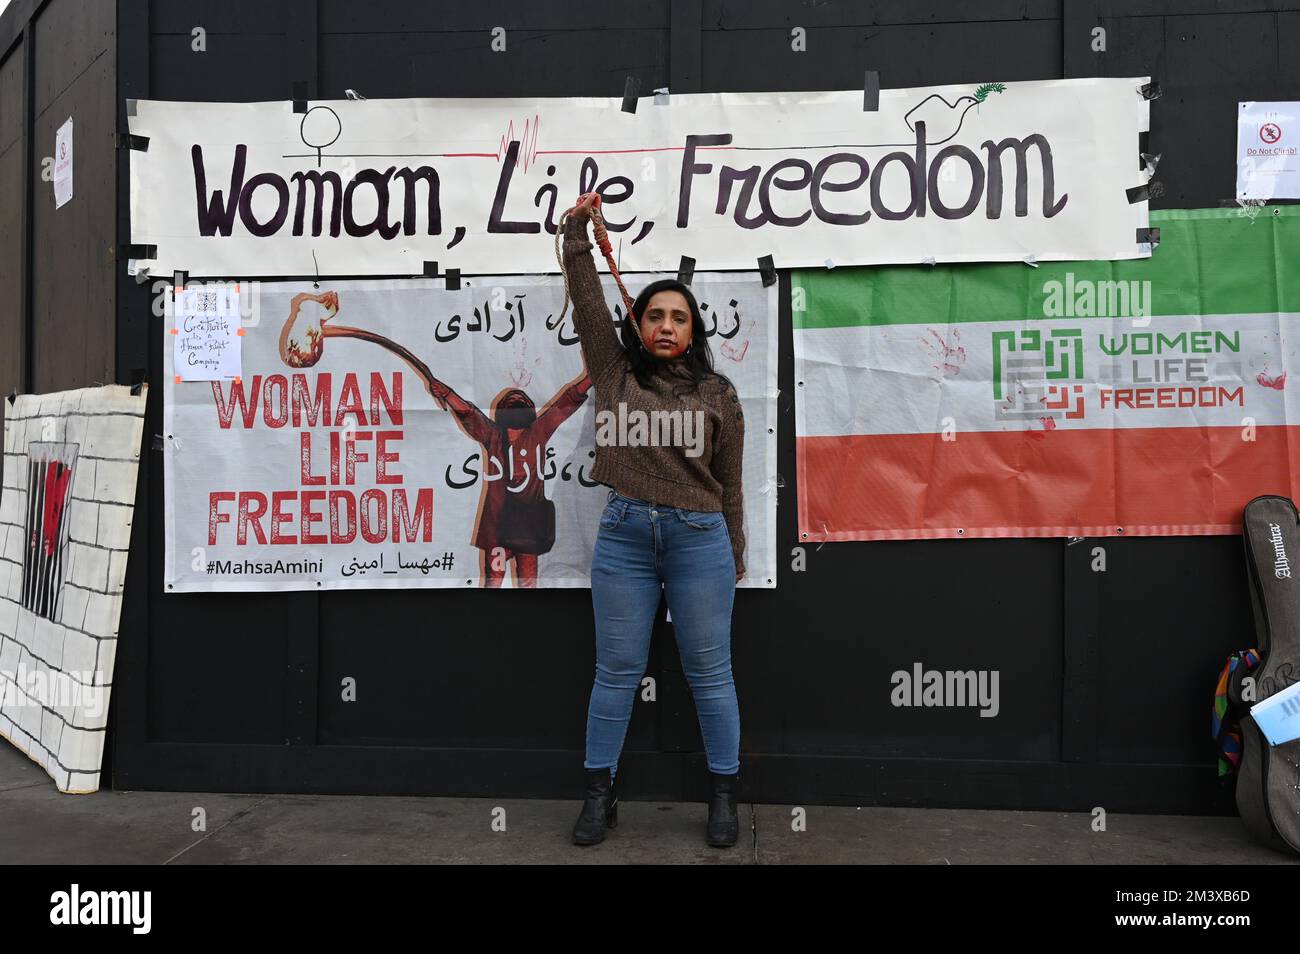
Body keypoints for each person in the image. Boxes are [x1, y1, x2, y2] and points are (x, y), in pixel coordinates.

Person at [559, 192, 746, 848]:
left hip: (700, 542)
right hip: (625, 540)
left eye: (679, 317)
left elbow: (731, 486)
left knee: (710, 673)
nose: (666, 325)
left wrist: (737, 554)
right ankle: (597, 795)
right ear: (637, 325)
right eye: (654, 315)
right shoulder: (614, 375)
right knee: (614, 672)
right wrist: (579, 231)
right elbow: (586, 296)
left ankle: (723, 797)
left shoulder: (719, 395)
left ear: (694, 331)